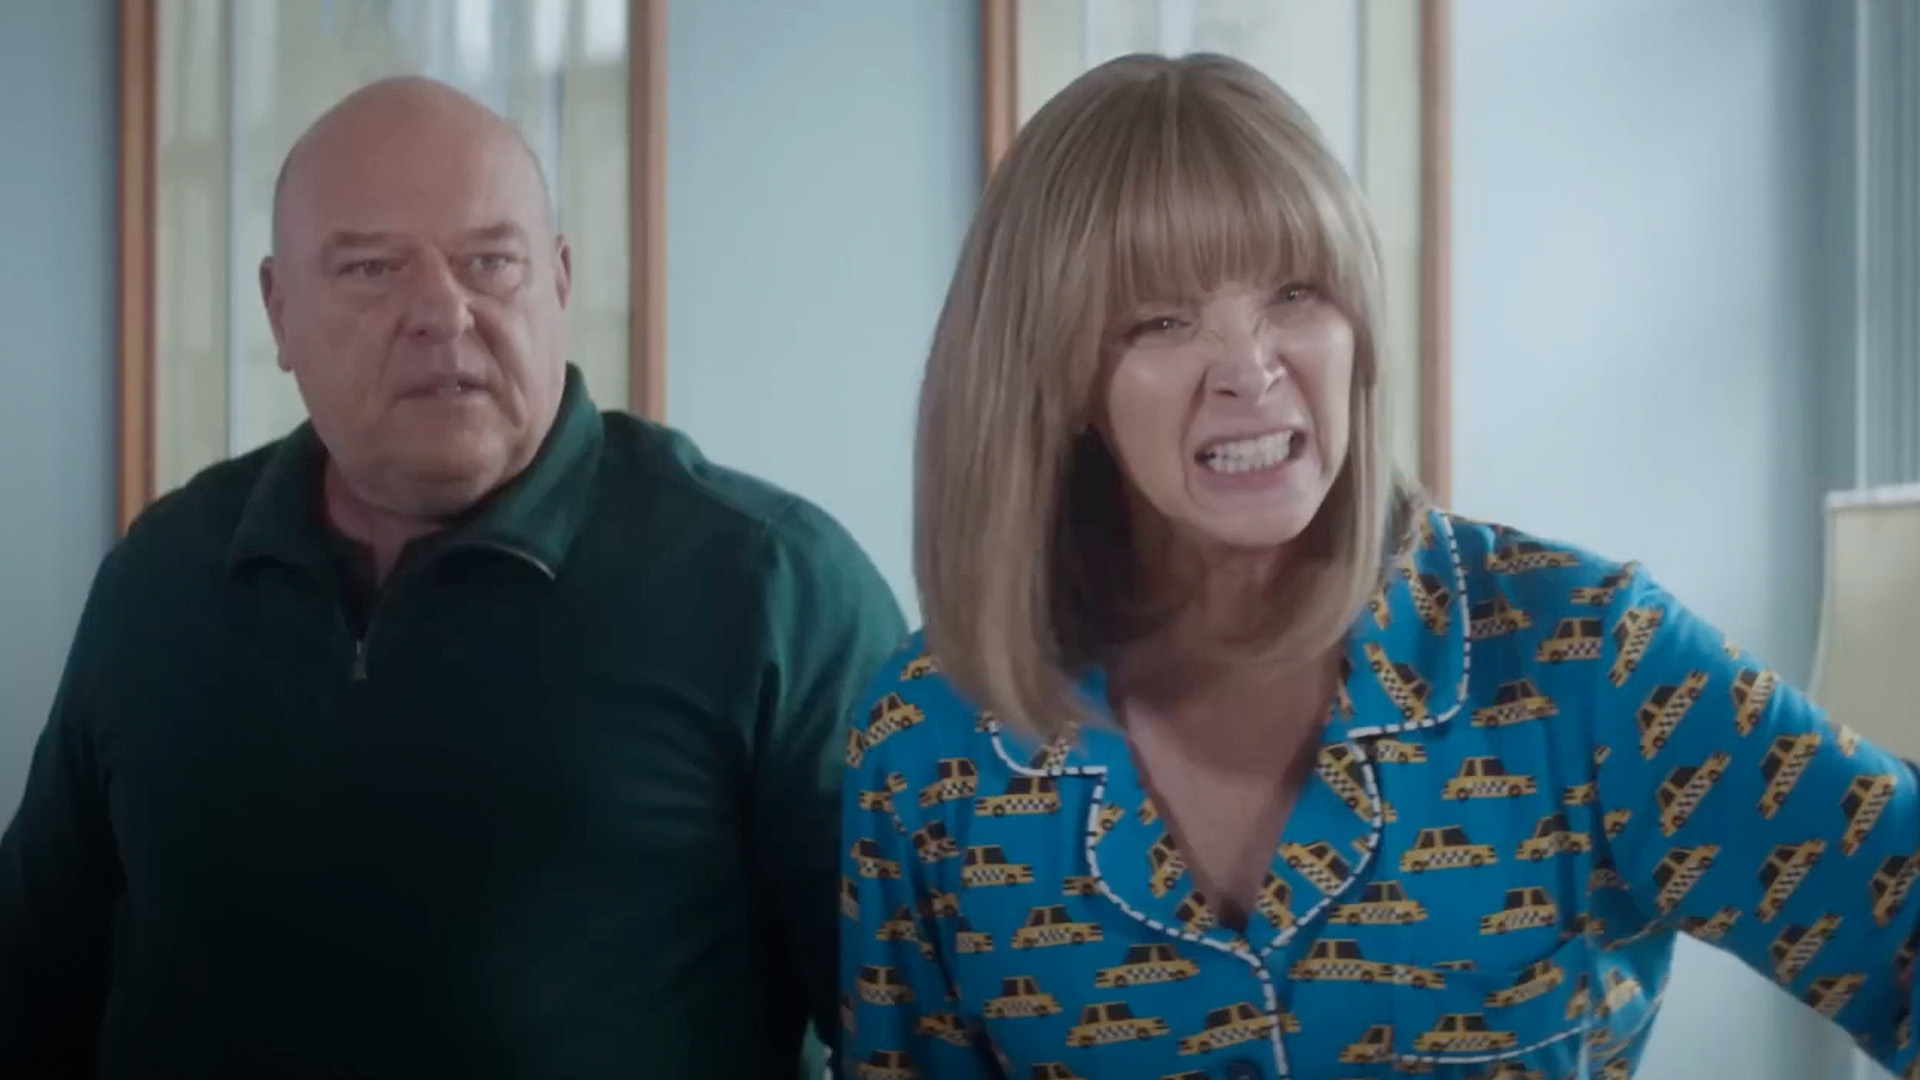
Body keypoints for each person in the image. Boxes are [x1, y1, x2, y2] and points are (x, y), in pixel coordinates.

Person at [839, 52, 1920, 1080]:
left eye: (1295, 293)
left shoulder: (1587, 655)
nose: (1251, 370)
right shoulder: (927, 742)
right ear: (1059, 379)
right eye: (1162, 320)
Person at [0, 77, 904, 1079]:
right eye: (371, 268)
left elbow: (920, 1036)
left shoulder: (773, 587)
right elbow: (31, 988)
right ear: (278, 310)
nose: (441, 312)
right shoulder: (162, 573)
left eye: (490, 262)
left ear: (560, 282)